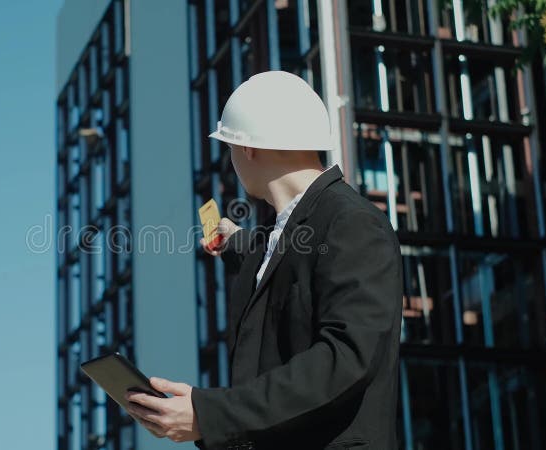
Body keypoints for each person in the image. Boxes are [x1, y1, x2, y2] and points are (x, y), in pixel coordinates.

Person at [125, 70, 403, 449]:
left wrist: (210, 415)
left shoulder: (352, 223)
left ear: (249, 149)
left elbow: (345, 358)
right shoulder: (290, 229)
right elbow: (283, 259)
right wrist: (232, 242)